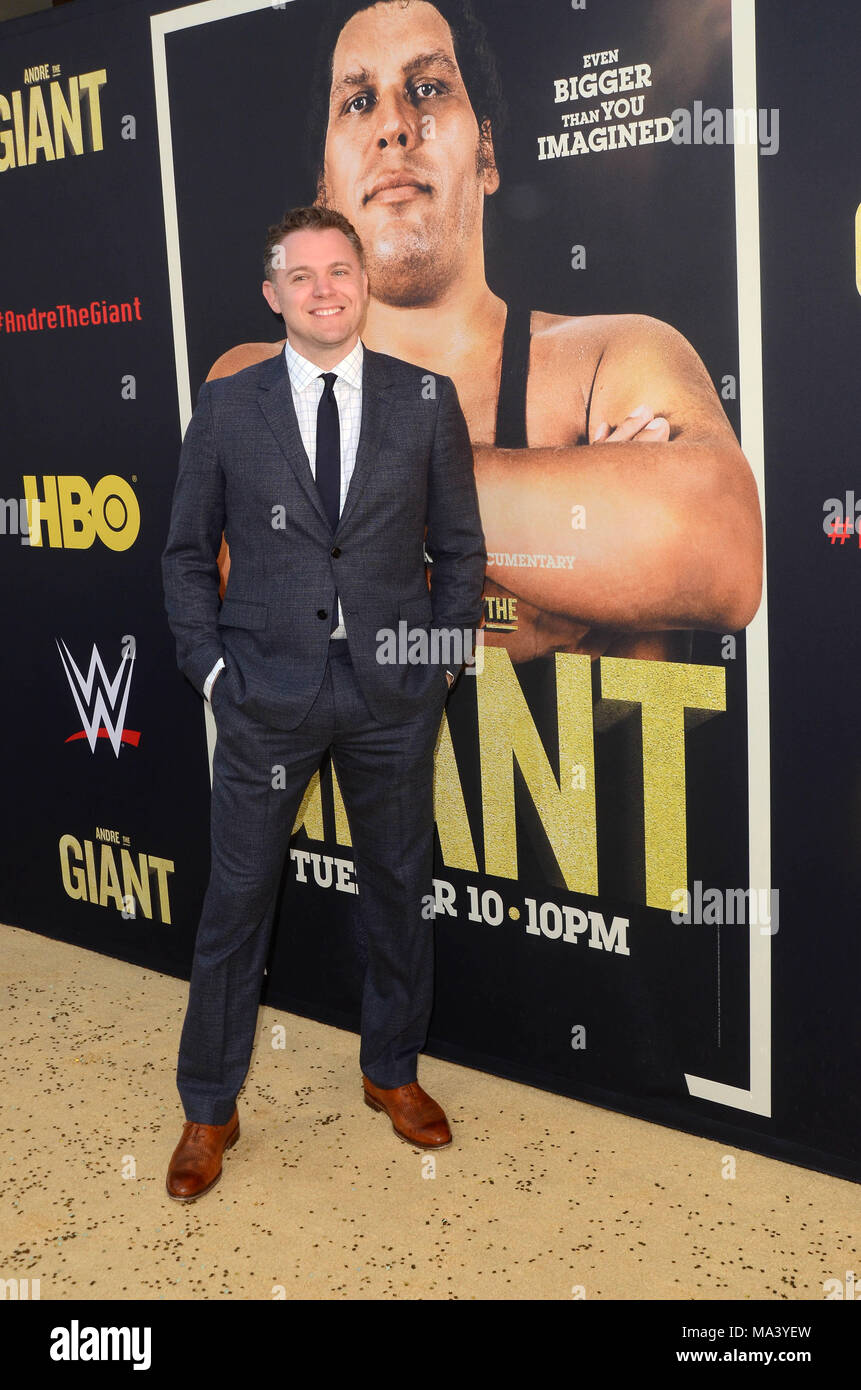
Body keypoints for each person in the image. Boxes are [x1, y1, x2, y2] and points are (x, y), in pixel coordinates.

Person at [211, 0, 762, 664]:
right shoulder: (251, 378)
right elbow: (262, 610)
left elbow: (722, 553)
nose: (394, 124)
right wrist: (543, 603)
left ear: (487, 154)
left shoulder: (611, 356)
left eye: (427, 88)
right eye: (358, 101)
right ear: (324, 189)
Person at [161, 204, 486, 1200]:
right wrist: (216, 676)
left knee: (396, 890)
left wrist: (435, 665)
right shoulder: (228, 405)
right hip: (267, 696)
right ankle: (210, 1107)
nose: (324, 288)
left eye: (339, 270)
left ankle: (391, 1070)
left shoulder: (426, 400)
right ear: (274, 295)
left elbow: (462, 551)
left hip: (392, 697)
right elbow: (183, 555)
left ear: (363, 282)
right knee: (235, 905)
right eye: (302, 276)